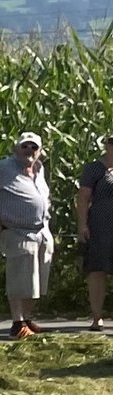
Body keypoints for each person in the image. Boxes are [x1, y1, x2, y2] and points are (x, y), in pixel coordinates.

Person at [0, 131, 53, 340]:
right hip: (16, 231)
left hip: (41, 231)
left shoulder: (39, 169)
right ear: (16, 148)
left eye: (34, 147)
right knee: (19, 278)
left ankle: (27, 318)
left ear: (40, 151)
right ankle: (17, 322)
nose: (29, 150)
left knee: (37, 280)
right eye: (25, 146)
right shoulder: (3, 169)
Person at [76, 134, 113, 330]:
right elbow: (83, 198)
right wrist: (82, 225)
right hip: (100, 226)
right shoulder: (94, 169)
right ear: (106, 145)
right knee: (97, 271)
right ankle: (97, 316)